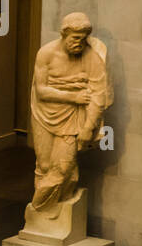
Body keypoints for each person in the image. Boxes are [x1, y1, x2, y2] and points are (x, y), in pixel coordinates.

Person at [29, 12, 113, 212]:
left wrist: (87, 128)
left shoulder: (91, 57)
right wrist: (73, 97)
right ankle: (53, 209)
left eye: (83, 39)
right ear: (64, 34)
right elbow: (41, 91)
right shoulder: (46, 53)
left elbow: (98, 97)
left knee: (64, 166)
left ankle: (40, 207)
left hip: (72, 120)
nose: (79, 43)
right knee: (45, 165)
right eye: (75, 38)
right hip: (43, 114)